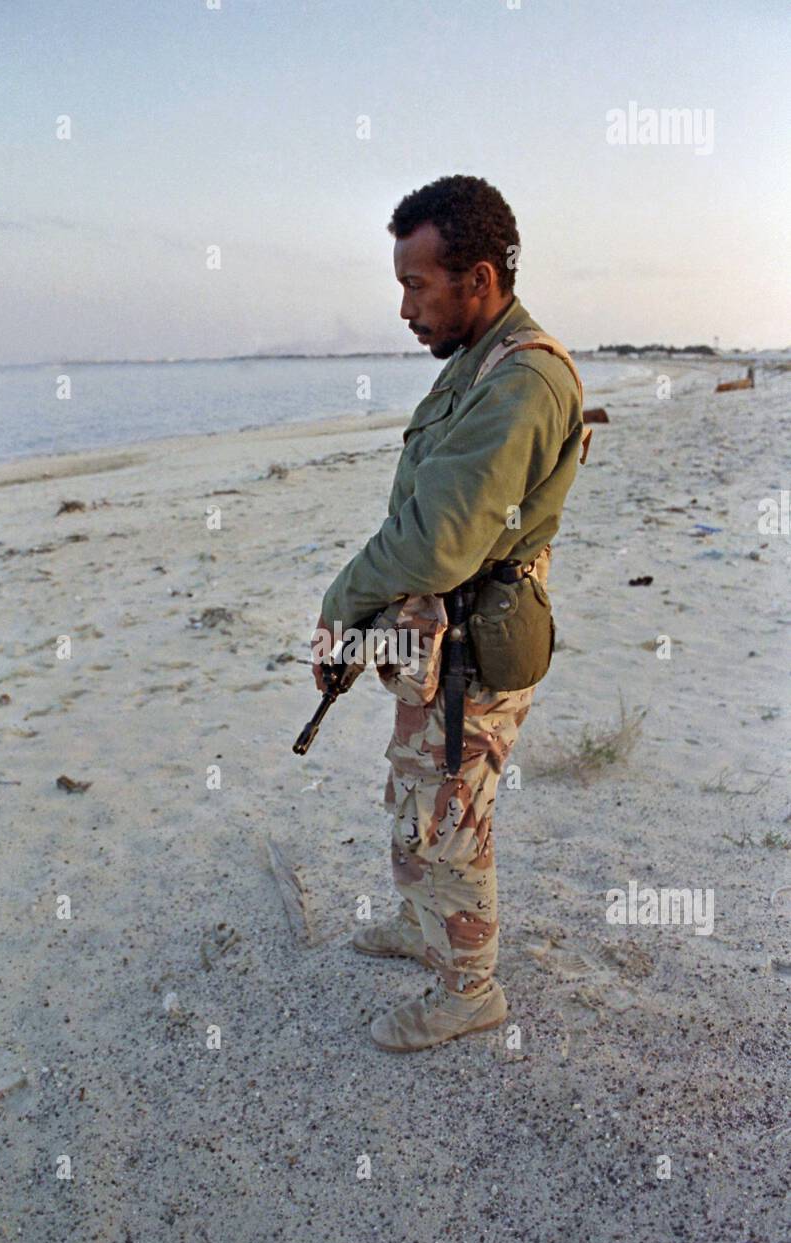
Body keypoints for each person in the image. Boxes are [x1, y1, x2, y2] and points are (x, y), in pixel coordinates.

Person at [311, 174, 585, 1052]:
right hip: (437, 634)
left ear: (477, 278)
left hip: (477, 637)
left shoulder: (523, 381)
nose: (403, 309)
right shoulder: (478, 361)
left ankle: (471, 992)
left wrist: (339, 606)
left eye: (416, 285)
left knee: (454, 816)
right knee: (415, 786)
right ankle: (427, 929)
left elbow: (436, 540)